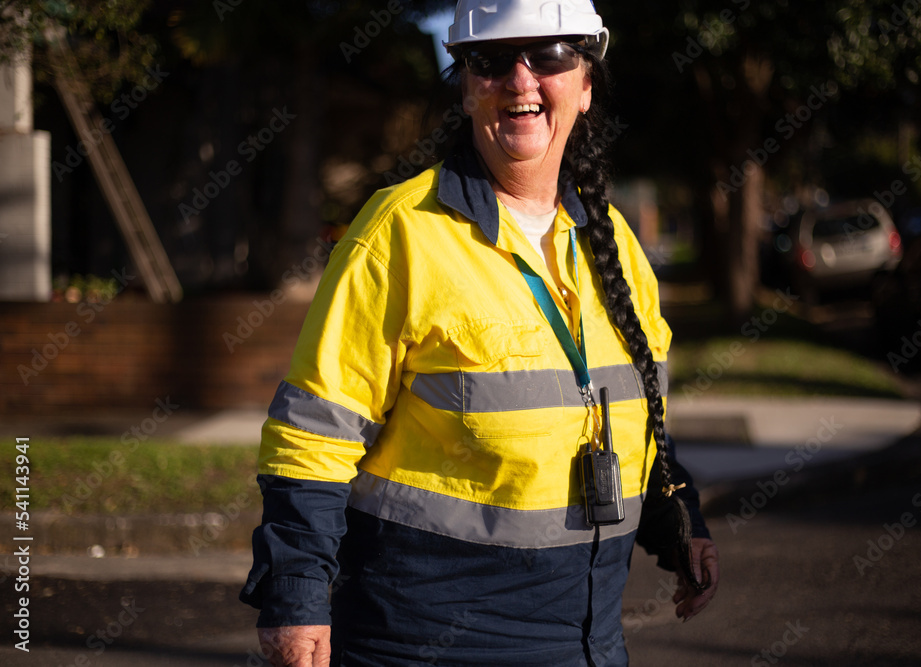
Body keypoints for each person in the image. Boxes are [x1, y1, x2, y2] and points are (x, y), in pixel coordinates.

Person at [240, 1, 720, 664]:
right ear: (466, 89)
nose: (521, 79)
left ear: (585, 84)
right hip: (421, 639)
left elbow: (642, 425)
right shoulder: (400, 233)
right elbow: (313, 438)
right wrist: (295, 598)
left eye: (548, 55)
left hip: (588, 639)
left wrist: (678, 520)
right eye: (492, 61)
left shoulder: (617, 248)